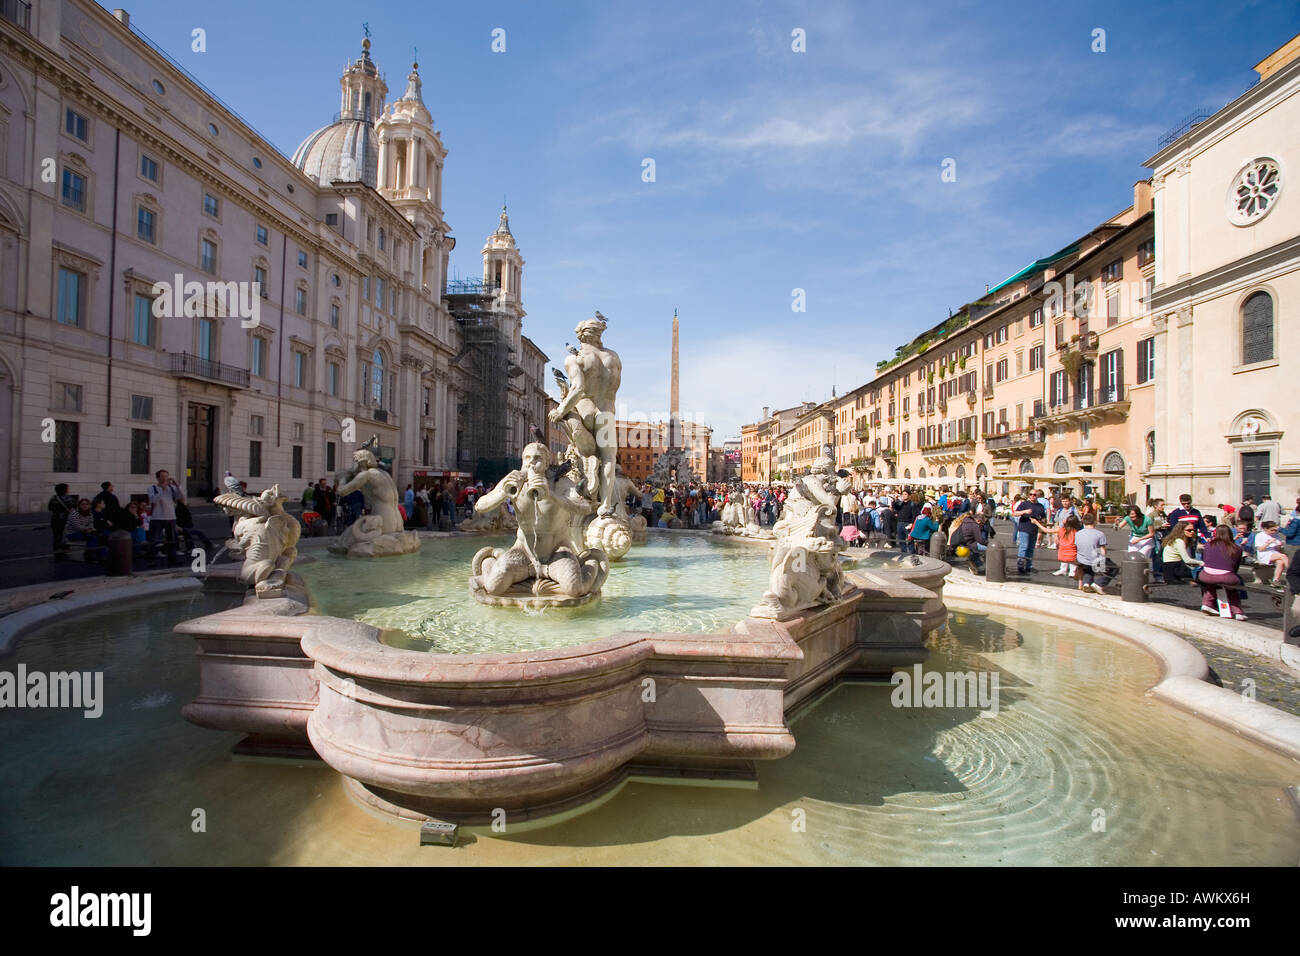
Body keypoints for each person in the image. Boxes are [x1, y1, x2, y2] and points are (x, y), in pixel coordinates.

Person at [1198, 525, 1247, 619]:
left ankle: (1207, 603)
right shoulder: (1236, 548)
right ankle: (1238, 611)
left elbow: (1205, 559)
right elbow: (1235, 566)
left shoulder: (1209, 545)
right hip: (1226, 576)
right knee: (1232, 589)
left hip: (1206, 575)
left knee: (1211, 584)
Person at [147, 469, 185, 559]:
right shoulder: (152, 488)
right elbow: (153, 500)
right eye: (162, 476)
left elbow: (181, 498)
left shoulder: (171, 488)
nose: (164, 479)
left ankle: (173, 557)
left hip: (171, 517)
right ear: (158, 478)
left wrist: (177, 486)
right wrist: (162, 490)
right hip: (157, 517)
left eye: (166, 476)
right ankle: (152, 557)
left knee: (172, 539)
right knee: (155, 539)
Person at [1011, 489, 1049, 574]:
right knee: (1024, 547)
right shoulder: (1024, 504)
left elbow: (1043, 517)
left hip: (1034, 529)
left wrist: (1041, 520)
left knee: (1031, 548)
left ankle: (1028, 566)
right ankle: (1020, 565)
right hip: (1024, 528)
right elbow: (1015, 513)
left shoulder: (1040, 506)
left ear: (1037, 496)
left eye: (1034, 495)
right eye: (1031, 494)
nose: (1032, 496)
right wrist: (1025, 511)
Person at [1074, 512, 1111, 593]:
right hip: (1094, 560)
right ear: (1094, 522)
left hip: (1081, 560)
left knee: (1088, 570)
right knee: (1113, 568)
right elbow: (1103, 550)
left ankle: (1086, 583)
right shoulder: (1100, 534)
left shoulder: (1078, 534)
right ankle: (1099, 583)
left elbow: (1076, 546)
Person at [1252, 520, 1289, 589]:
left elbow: (1280, 550)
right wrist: (1268, 543)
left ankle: (1275, 580)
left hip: (1274, 553)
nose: (1273, 532)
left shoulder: (1276, 535)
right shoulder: (1260, 535)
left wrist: (1279, 546)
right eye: (1272, 530)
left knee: (1280, 562)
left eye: (1275, 530)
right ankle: (1292, 572)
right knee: (1283, 556)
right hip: (1264, 554)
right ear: (1266, 529)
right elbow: (1260, 549)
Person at [48, 482, 77, 557]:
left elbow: (49, 508)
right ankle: (63, 551)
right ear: (65, 490)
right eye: (68, 488)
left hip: (55, 519)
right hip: (65, 519)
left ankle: (56, 551)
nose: (69, 490)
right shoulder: (68, 498)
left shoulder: (54, 498)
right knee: (64, 535)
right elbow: (73, 507)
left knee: (56, 536)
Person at [1056, 514, 1081, 586]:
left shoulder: (1075, 532)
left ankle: (1071, 570)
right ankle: (1065, 569)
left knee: (1069, 553)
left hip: (1069, 550)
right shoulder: (1073, 531)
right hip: (1067, 550)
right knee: (1067, 552)